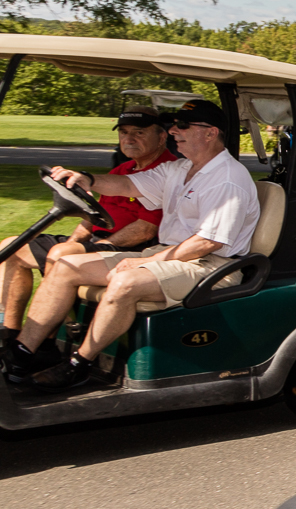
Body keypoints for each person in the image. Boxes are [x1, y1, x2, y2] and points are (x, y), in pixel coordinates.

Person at [3, 99, 260, 392]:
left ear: (210, 133)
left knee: (125, 281)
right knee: (66, 266)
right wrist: (86, 179)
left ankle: (78, 366)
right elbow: (127, 185)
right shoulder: (180, 169)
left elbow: (208, 242)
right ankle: (21, 354)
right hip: (173, 254)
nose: (174, 130)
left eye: (183, 126)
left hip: (213, 266)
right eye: (173, 125)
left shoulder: (227, 179)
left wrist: (146, 262)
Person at [1, 106, 176, 357]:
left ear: (161, 137)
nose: (129, 139)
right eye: (124, 132)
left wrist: (101, 246)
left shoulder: (168, 170)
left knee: (61, 254)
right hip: (102, 239)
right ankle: (9, 334)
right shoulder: (123, 170)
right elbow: (92, 214)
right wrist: (76, 241)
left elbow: (146, 229)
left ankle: (45, 344)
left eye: (139, 132)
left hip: (133, 247)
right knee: (12, 247)